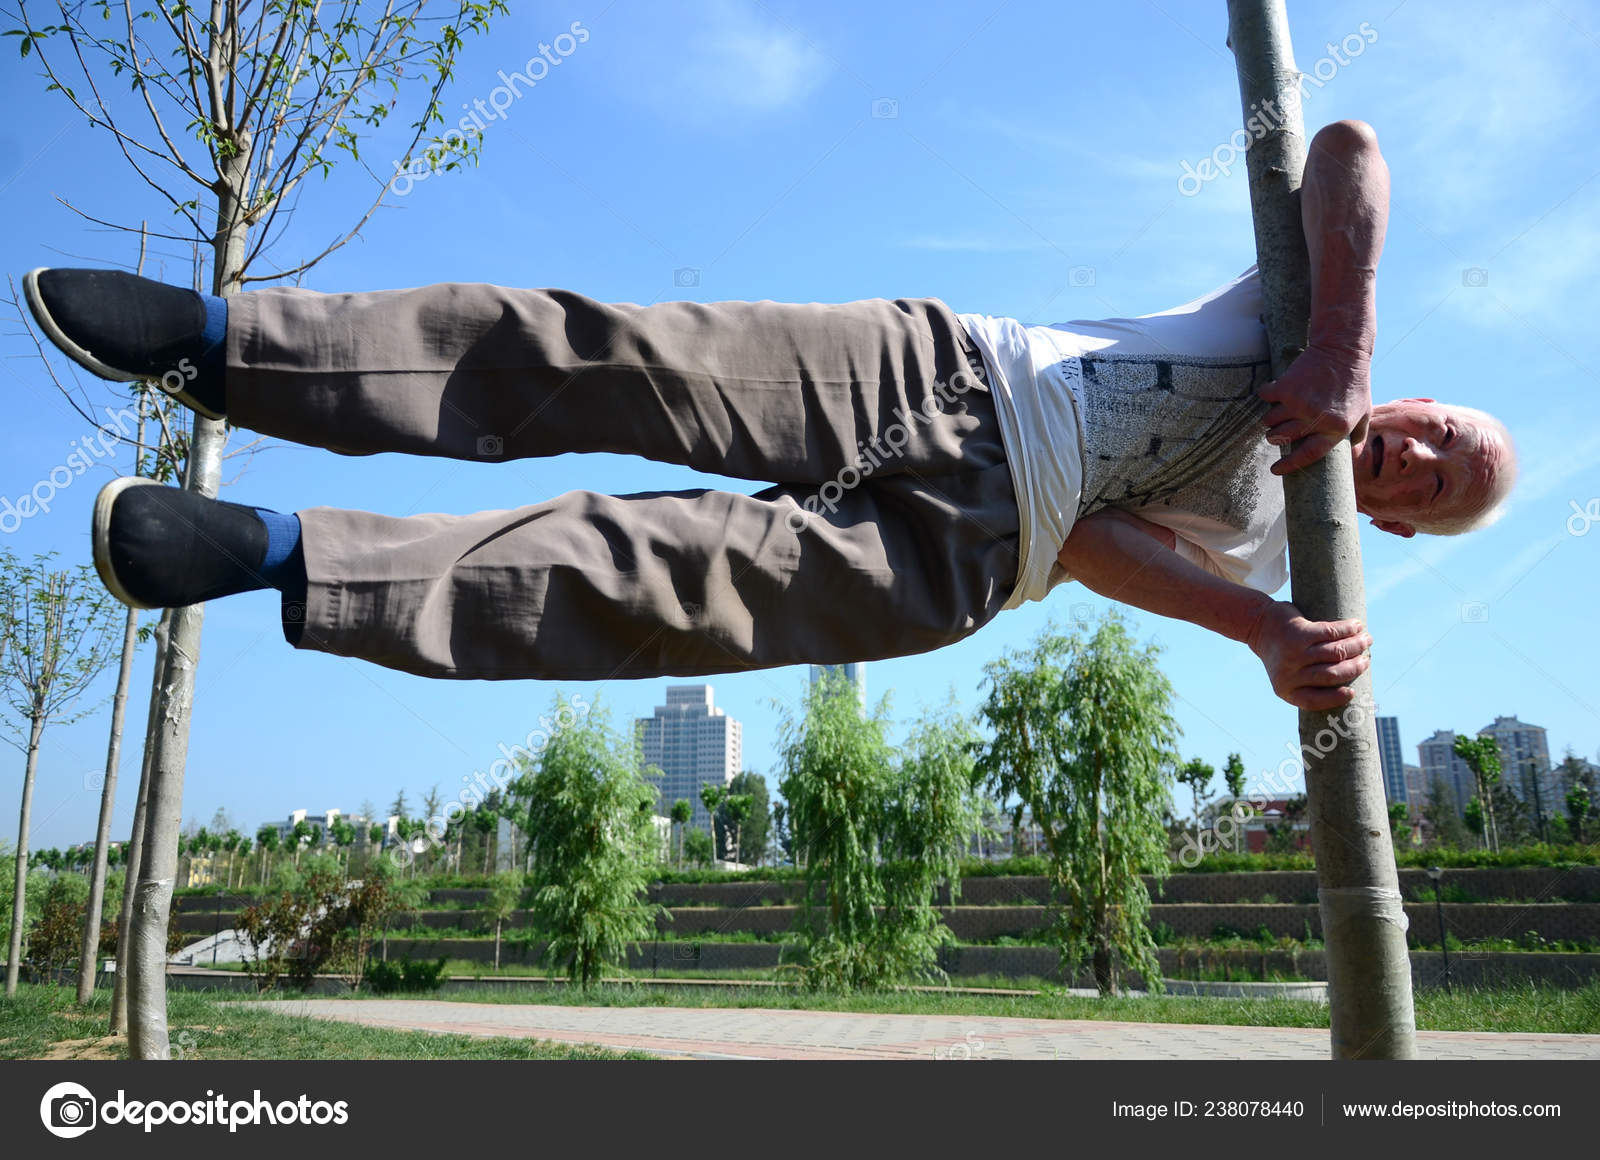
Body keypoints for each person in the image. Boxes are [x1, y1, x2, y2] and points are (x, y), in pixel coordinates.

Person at [23, 120, 1513, 710]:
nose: (1430, 461)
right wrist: (1342, 345)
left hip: (966, 561)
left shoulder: (1263, 553)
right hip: (938, 368)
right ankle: (223, 343)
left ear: (1393, 521)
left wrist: (1251, 625)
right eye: (1451, 439)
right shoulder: (1316, 320)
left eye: (1440, 491)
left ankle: (274, 551)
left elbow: (1106, 544)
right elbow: (1348, 148)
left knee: (633, 589)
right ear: (1424, 402)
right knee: (604, 354)